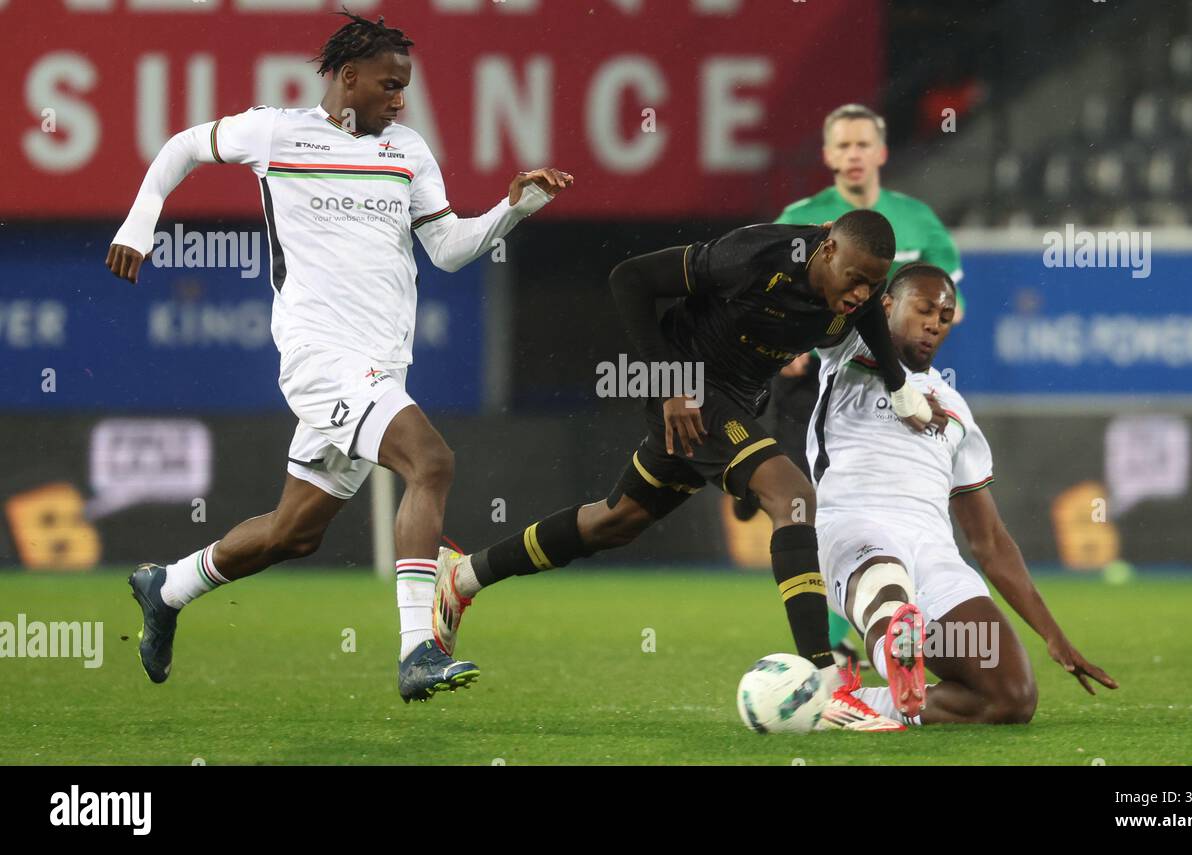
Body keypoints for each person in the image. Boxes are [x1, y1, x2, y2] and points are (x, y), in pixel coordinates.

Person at [105, 10, 572, 703]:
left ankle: (167, 587)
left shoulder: (407, 150)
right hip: (320, 358)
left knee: (293, 532)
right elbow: (181, 147)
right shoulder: (276, 131)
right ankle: (418, 647)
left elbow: (446, 250)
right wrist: (140, 224)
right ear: (348, 78)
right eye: (388, 84)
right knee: (432, 461)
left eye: (404, 86)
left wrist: (511, 210)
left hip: (380, 367)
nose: (399, 98)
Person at [433, 211, 944, 731]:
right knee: (792, 497)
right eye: (854, 278)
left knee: (616, 520)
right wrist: (670, 384)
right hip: (689, 390)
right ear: (828, 249)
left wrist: (901, 391)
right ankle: (828, 686)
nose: (860, 292)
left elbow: (867, 319)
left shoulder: (853, 296)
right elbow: (628, 278)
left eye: (873, 283)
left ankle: (464, 574)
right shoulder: (756, 255)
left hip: (732, 403)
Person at [809, 262, 1117, 726]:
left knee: (1011, 699)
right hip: (857, 531)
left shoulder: (954, 410)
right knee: (888, 590)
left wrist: (1053, 635)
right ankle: (896, 640)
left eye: (946, 315)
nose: (935, 322)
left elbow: (989, 540)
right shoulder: (847, 352)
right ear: (887, 305)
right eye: (924, 308)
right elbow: (826, 292)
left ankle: (858, 703)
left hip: (933, 554)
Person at [751, 103, 967, 667]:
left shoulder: (917, 219)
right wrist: (788, 348)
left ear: (881, 152)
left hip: (891, 391)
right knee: (808, 507)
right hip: (815, 387)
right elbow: (774, 295)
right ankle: (840, 643)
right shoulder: (803, 216)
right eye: (842, 146)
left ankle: (840, 646)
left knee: (839, 510)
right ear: (827, 155)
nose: (852, 155)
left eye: (861, 145)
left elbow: (951, 302)